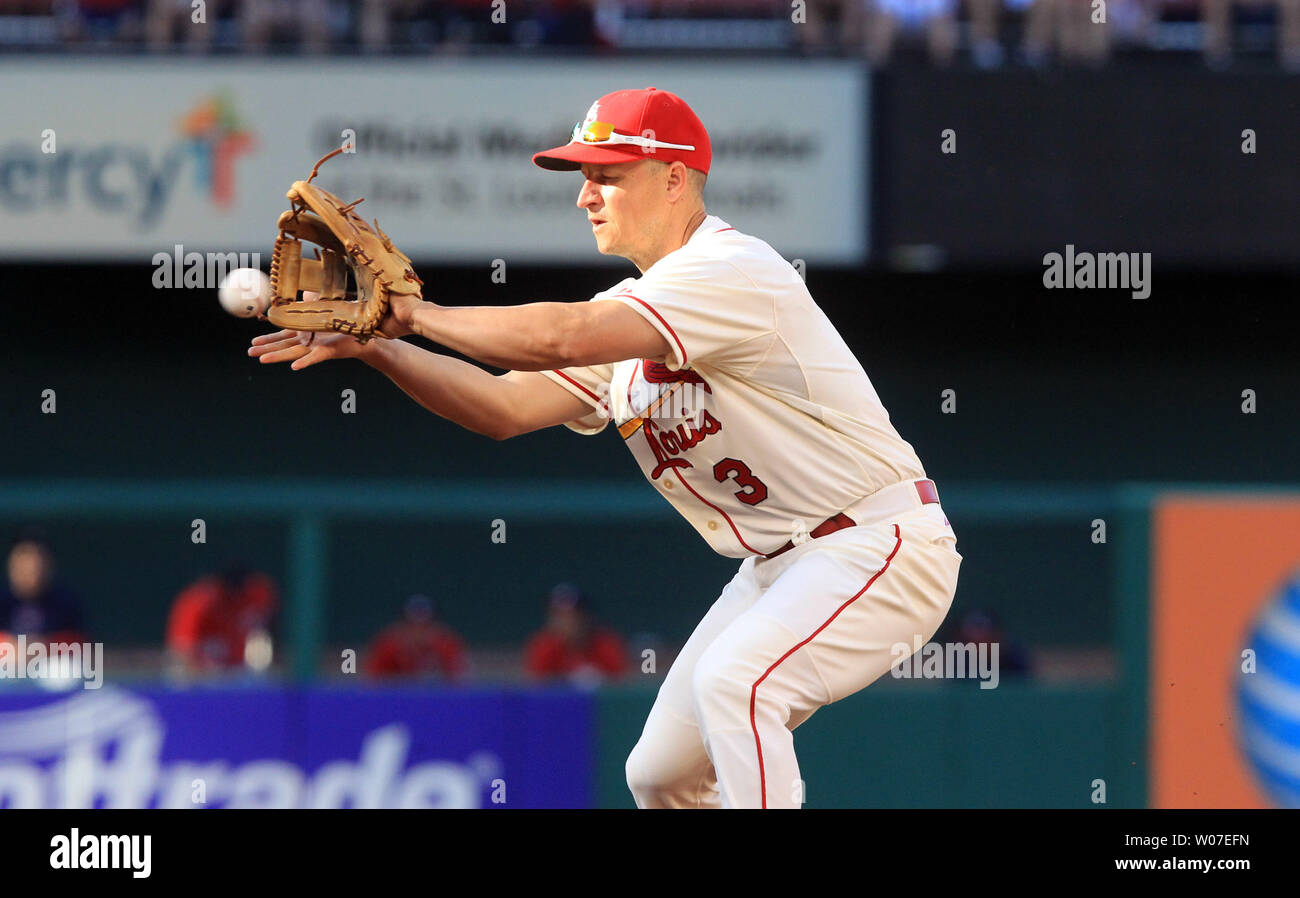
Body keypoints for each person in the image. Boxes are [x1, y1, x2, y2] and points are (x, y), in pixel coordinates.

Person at [249, 86, 962, 809]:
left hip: (877, 543)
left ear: (675, 177)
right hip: (780, 567)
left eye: (607, 175)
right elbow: (504, 407)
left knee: (738, 683)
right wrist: (380, 350)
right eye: (583, 178)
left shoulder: (733, 269)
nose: (585, 196)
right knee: (658, 775)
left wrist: (418, 315)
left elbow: (557, 336)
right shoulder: (630, 317)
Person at [165, 566, 277, 674]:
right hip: (203, 677)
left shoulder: (256, 594)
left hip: (242, 674)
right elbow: (181, 653)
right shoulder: (199, 602)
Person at [523, 583, 629, 683]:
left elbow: (624, 683)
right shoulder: (544, 647)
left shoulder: (605, 644)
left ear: (586, 617)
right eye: (560, 616)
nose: (567, 622)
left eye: (573, 616)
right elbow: (536, 685)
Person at [0, 533, 85, 644]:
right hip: (6, 658)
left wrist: (45, 645)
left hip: (49, 658)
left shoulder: (65, 602)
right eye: (25, 559)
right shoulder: (3, 599)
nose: (31, 566)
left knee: (69, 662)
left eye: (38, 560)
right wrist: (9, 645)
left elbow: (80, 642)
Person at [365, 594, 468, 680]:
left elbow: (460, 676)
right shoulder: (390, 644)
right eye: (412, 625)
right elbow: (372, 677)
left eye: (424, 625)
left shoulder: (444, 643)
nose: (418, 631)